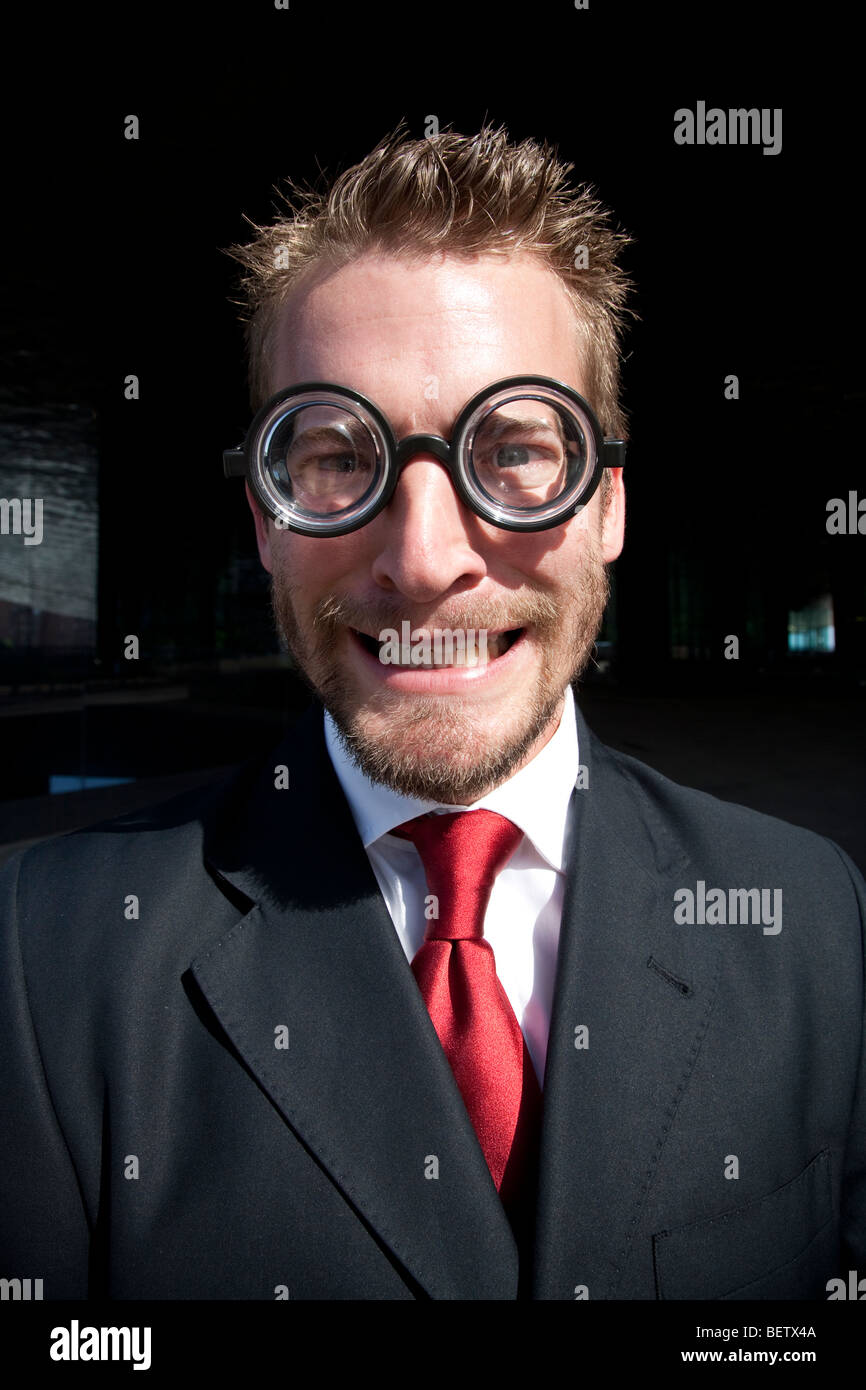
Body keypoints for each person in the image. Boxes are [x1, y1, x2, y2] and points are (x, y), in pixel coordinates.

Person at [1, 124, 864, 1302]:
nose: (420, 556)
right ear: (264, 521)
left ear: (606, 507)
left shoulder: (810, 917)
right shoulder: (47, 954)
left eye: (511, 449)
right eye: (331, 454)